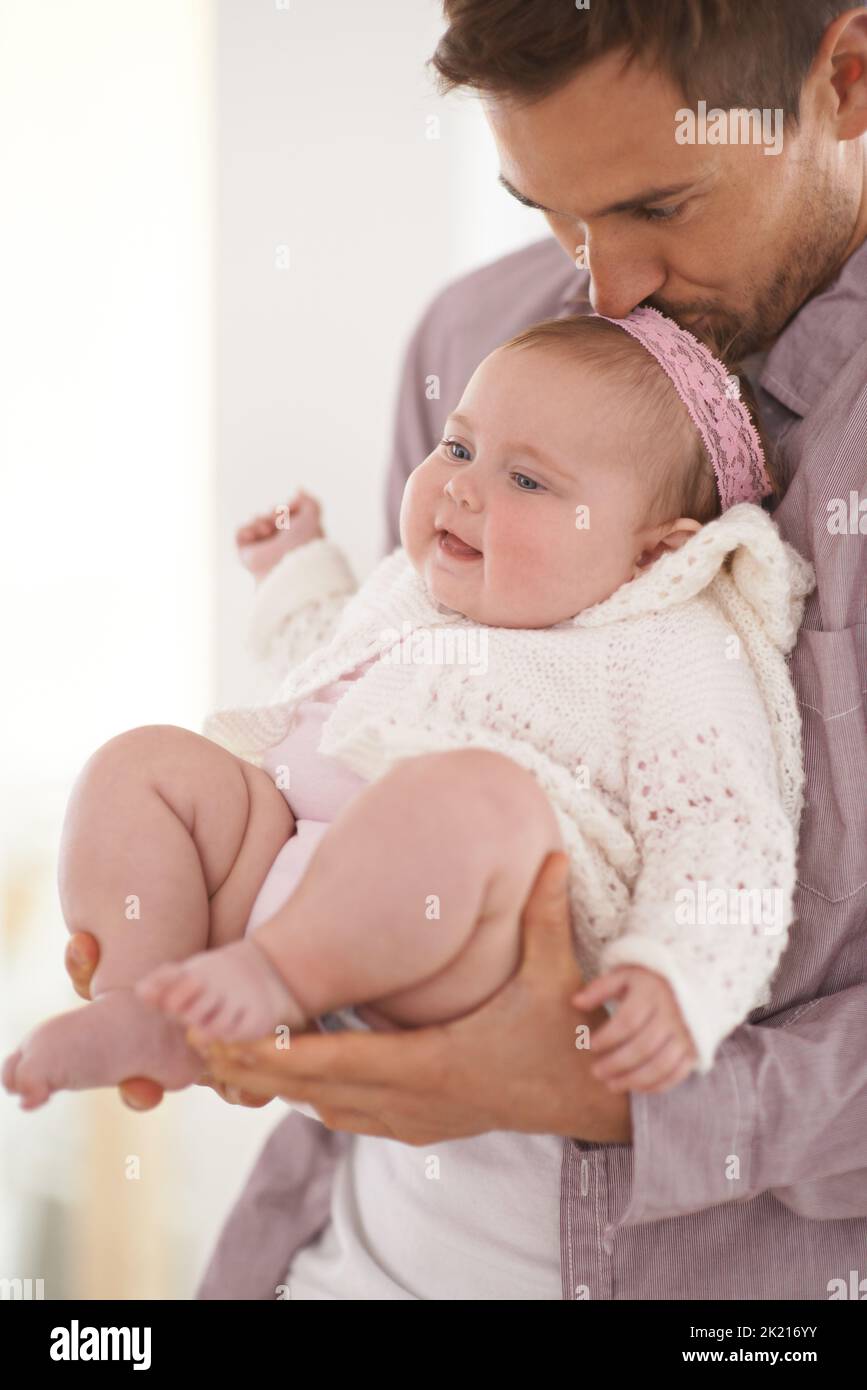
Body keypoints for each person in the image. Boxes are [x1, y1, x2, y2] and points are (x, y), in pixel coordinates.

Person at [65, 0, 867, 1299]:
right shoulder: (472, 346)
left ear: (846, 76)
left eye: (661, 205)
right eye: (550, 210)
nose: (601, 287)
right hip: (352, 1255)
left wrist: (628, 1097)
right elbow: (374, 664)